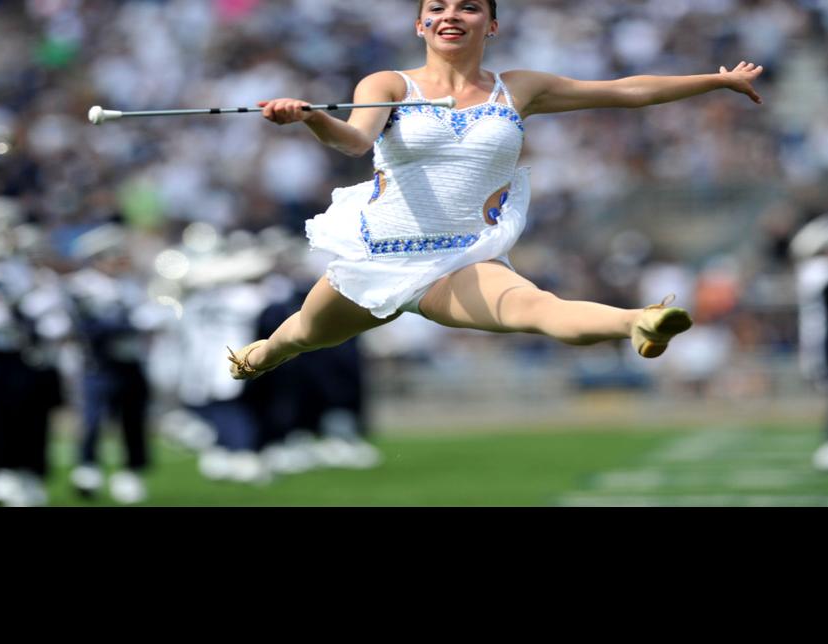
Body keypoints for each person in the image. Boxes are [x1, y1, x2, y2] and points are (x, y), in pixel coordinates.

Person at [227, 0, 766, 380]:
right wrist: (313, 118)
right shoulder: (390, 84)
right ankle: (260, 357)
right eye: (437, 7)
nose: (451, 16)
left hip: (458, 261)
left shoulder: (520, 88)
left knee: (536, 308)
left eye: (468, 7)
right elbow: (352, 141)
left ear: (492, 24)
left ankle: (639, 321)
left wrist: (715, 81)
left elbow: (625, 91)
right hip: (377, 255)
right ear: (420, 25)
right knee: (301, 335)